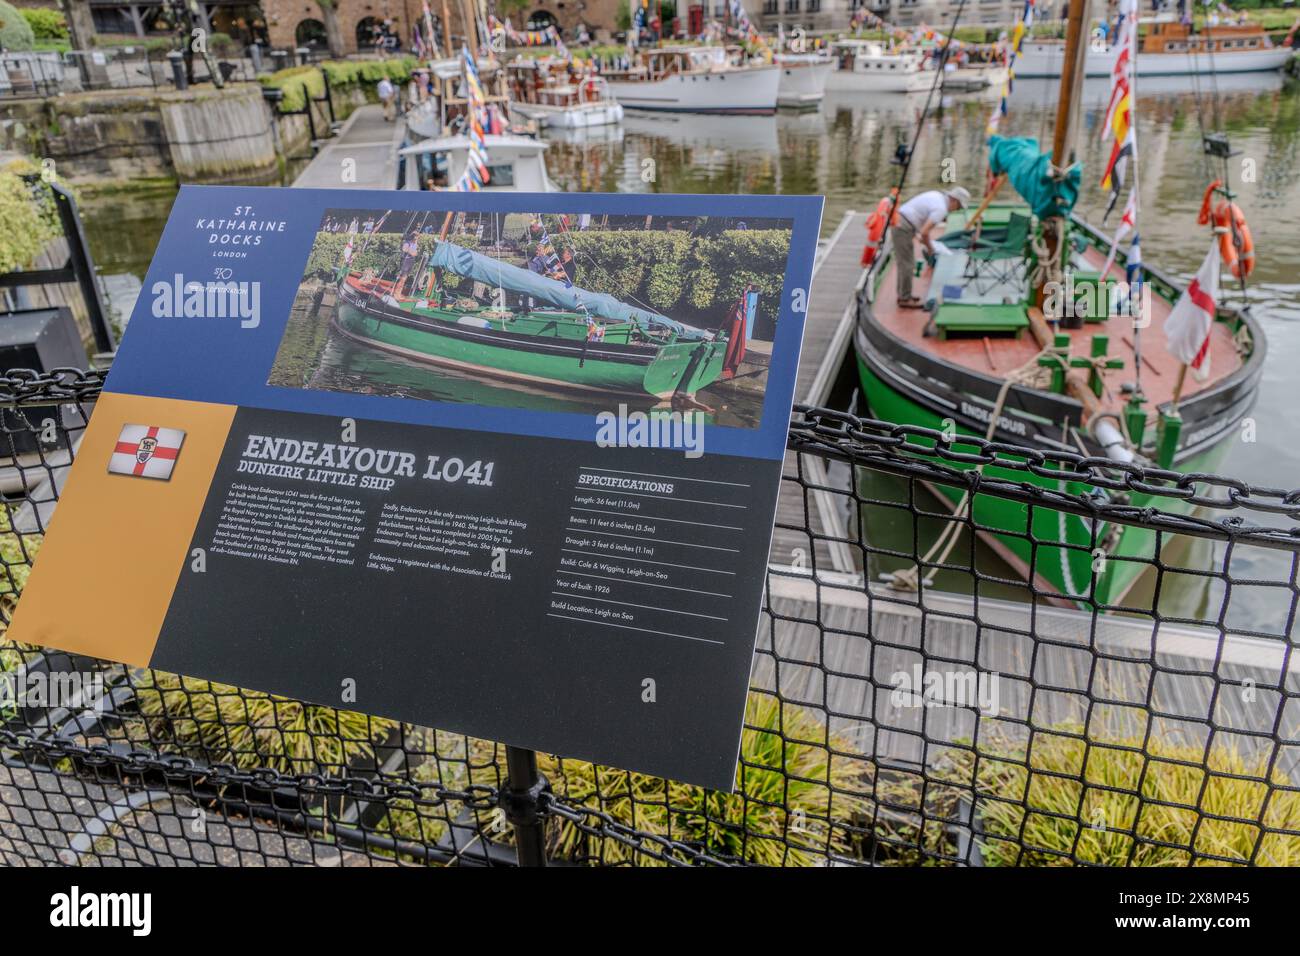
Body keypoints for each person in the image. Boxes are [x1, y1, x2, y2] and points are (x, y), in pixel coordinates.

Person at [892, 186, 970, 308]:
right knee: (906, 264)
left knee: (906, 262)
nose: (956, 210)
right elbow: (924, 233)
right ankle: (904, 298)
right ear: (954, 200)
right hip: (903, 226)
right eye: (958, 207)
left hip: (903, 222)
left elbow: (922, 229)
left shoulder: (937, 195)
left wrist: (926, 243)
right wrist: (931, 250)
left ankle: (904, 294)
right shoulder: (941, 209)